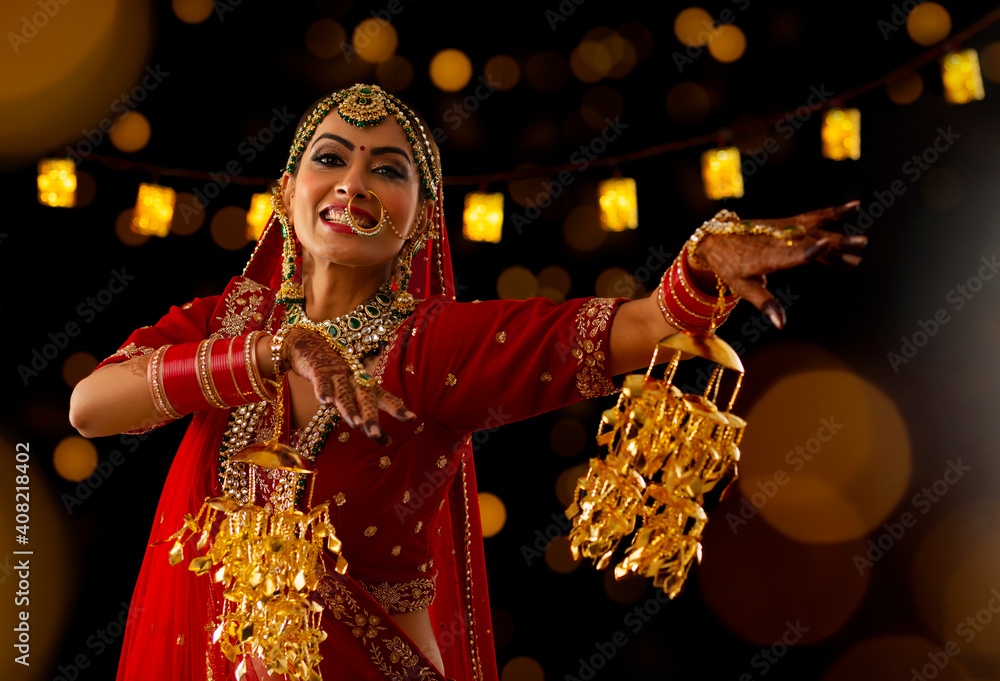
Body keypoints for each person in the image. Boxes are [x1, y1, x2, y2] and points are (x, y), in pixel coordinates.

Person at [69, 83, 865, 681]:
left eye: (387, 169)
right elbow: (90, 407)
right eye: (330, 158)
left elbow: (636, 326)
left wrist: (699, 267)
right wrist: (273, 352)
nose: (352, 183)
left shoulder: (430, 347)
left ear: (421, 218)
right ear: (285, 193)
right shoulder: (226, 321)